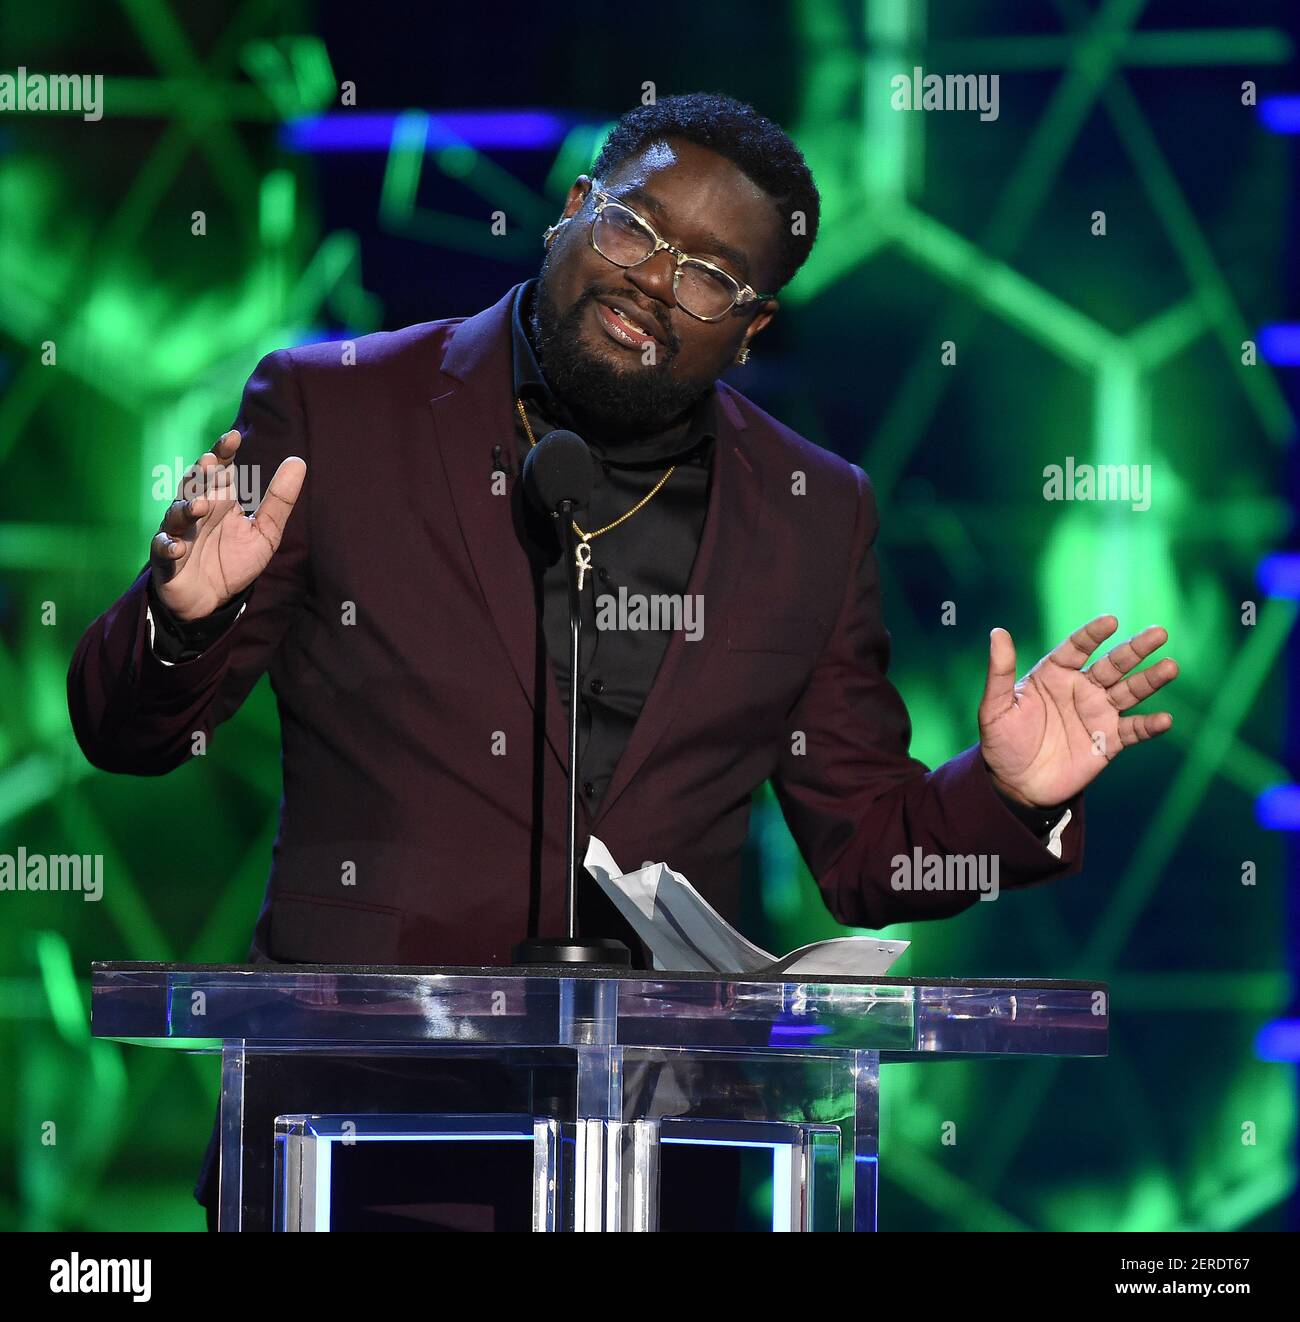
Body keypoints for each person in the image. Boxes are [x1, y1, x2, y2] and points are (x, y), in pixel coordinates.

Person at [67, 92, 1177, 1230]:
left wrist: (1004, 795)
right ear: (570, 209)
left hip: (659, 1160)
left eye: (708, 275)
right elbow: (131, 734)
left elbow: (862, 852)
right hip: (356, 1138)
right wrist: (180, 619)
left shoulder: (809, 511)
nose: (652, 281)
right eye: (633, 231)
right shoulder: (338, 409)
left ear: (752, 326)